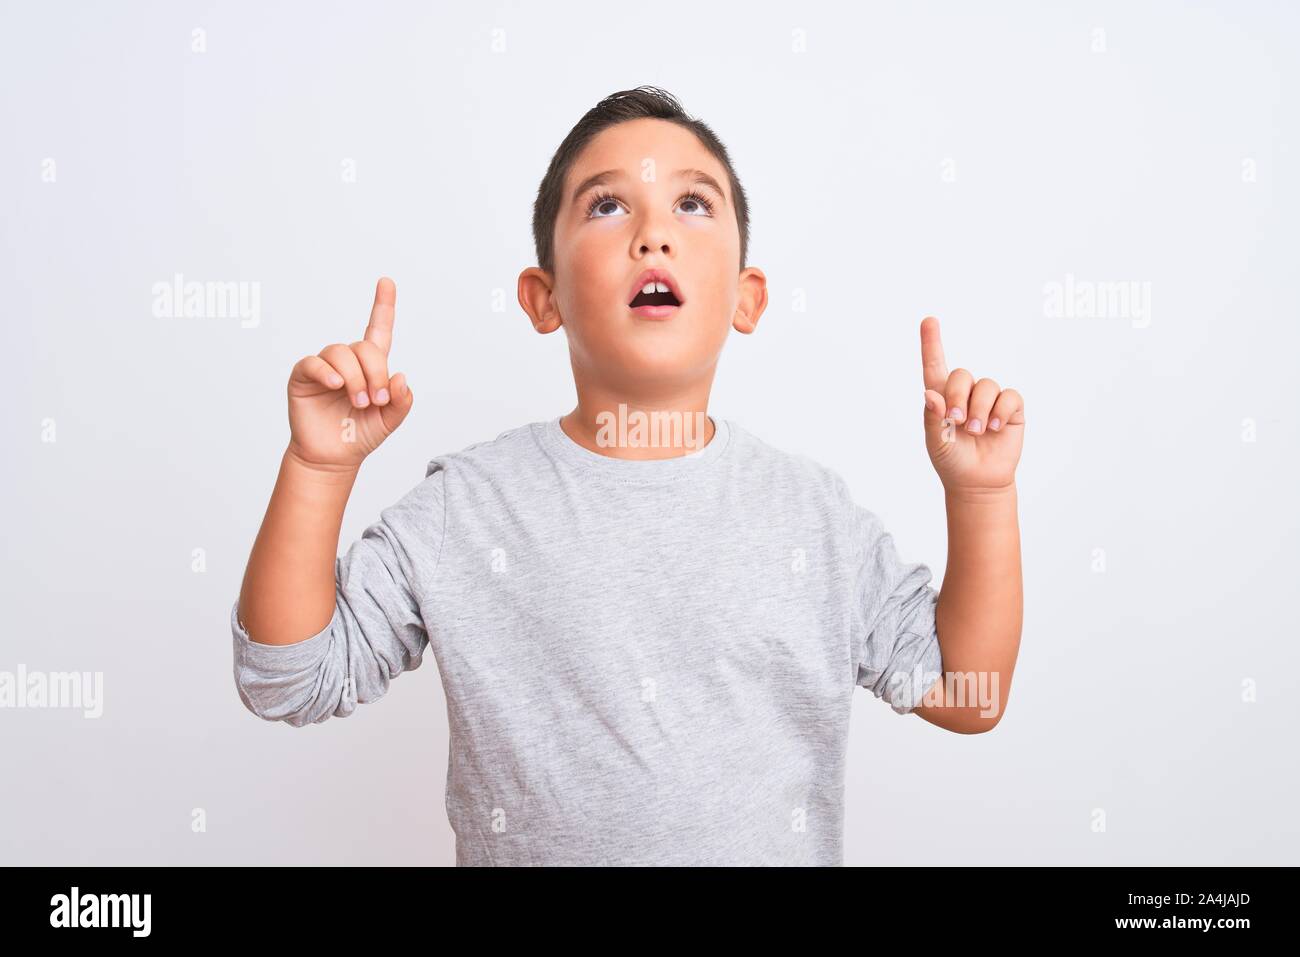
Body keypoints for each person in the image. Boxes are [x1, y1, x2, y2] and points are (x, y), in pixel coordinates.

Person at [231, 86, 1025, 866]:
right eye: (608, 206)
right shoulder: (465, 510)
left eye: (693, 204)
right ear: (544, 298)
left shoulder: (813, 518)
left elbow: (969, 692)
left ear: (747, 297)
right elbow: (286, 679)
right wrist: (317, 466)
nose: (654, 235)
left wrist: (981, 494)